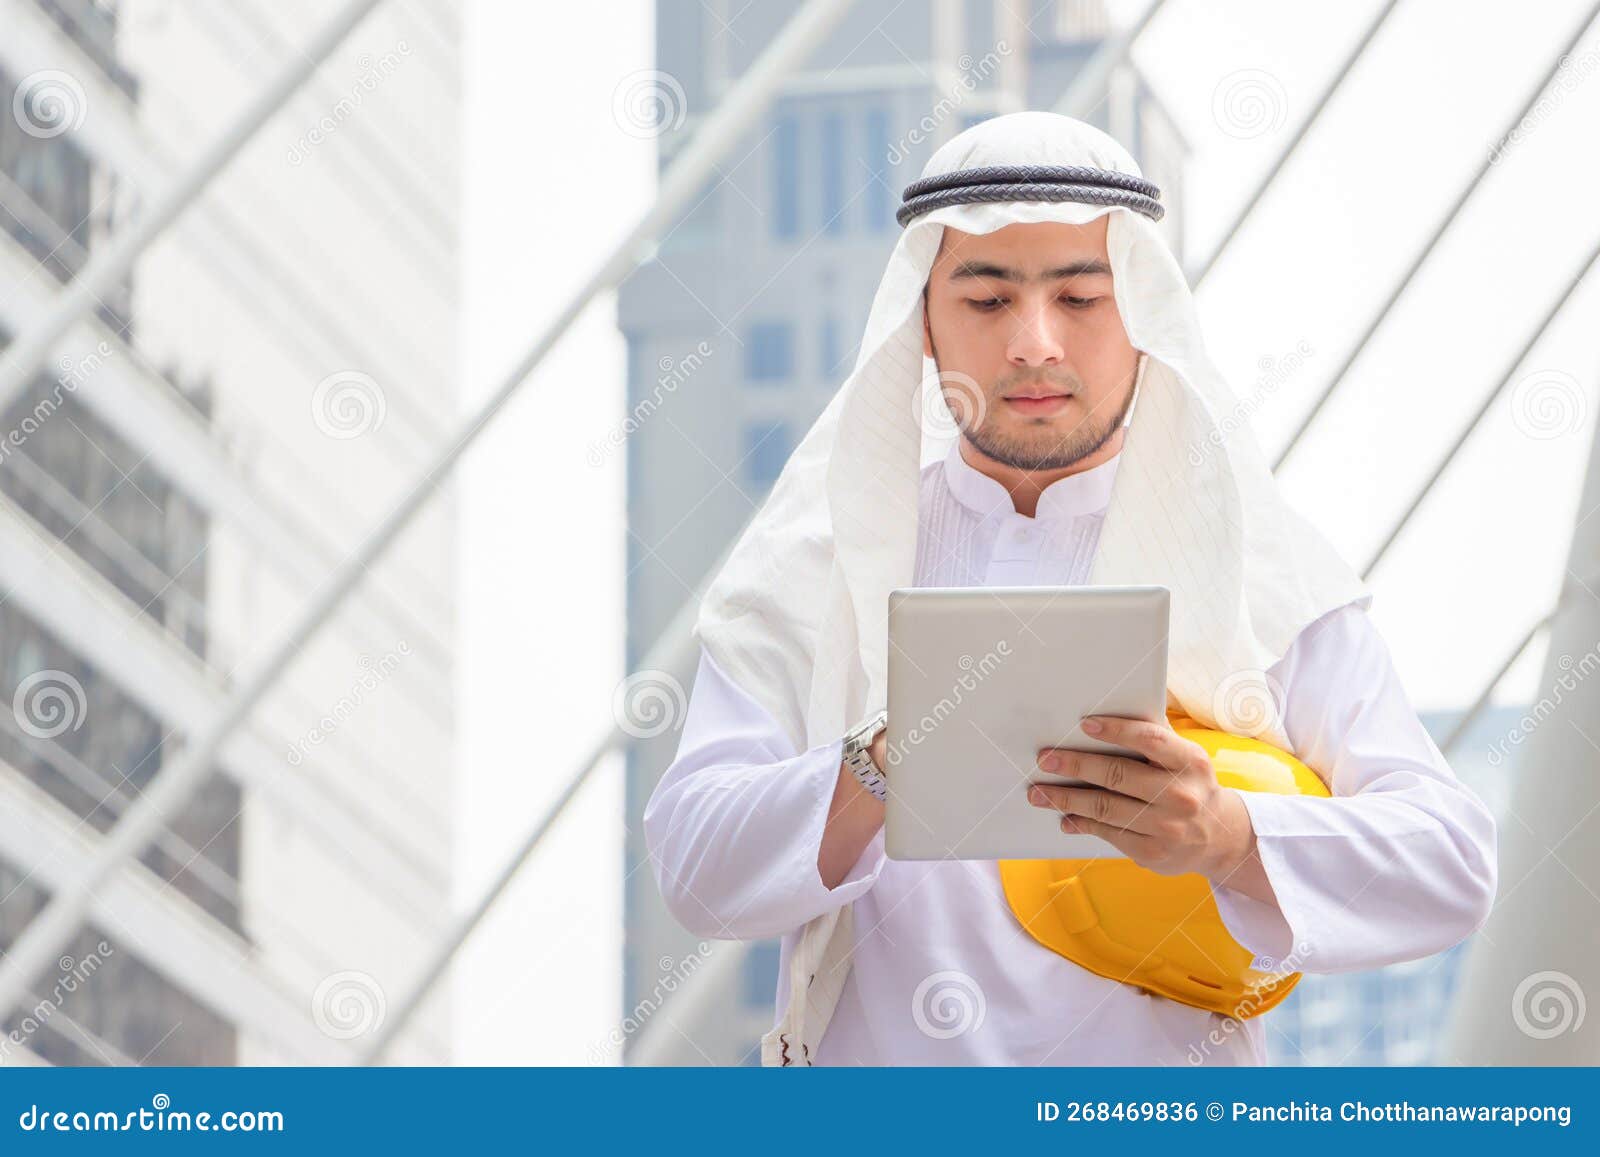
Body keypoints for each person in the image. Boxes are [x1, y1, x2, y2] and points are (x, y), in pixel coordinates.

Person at [644, 111, 1497, 1066]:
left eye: (1082, 298)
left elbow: (1451, 862)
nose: (1035, 343)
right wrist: (881, 763)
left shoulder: (1261, 567)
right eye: (987, 300)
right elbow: (694, 868)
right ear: (923, 324)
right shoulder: (814, 567)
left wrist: (1225, 832)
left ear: (1141, 311)